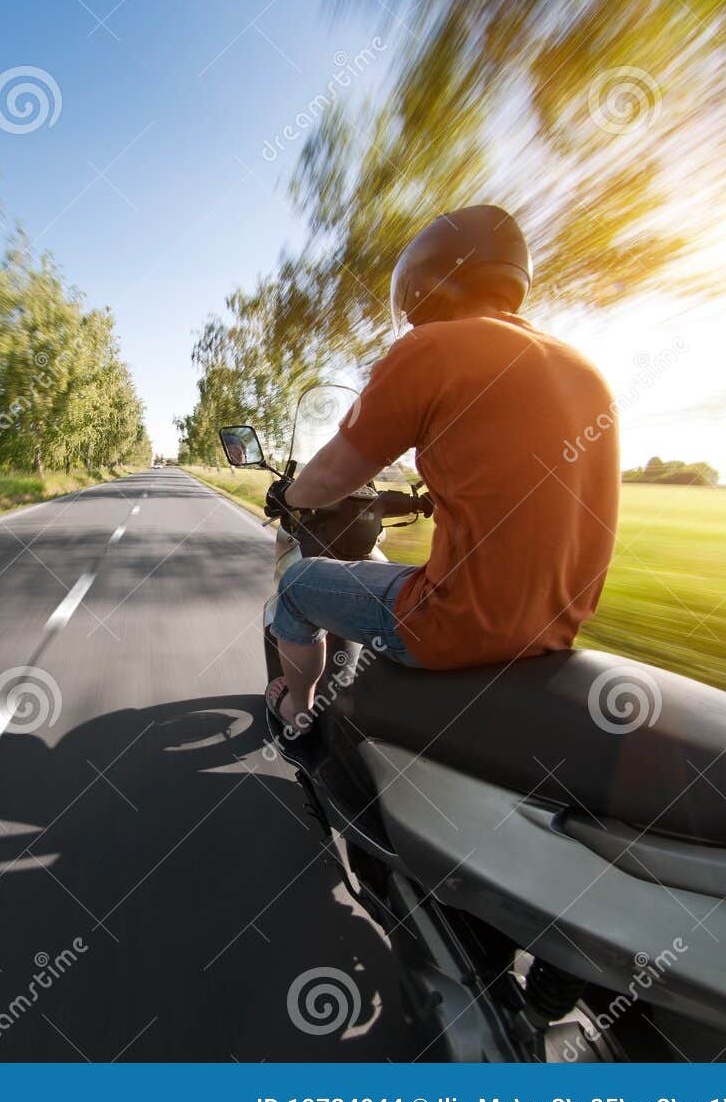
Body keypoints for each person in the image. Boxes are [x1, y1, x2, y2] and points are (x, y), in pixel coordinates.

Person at [264, 204, 621, 731]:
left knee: (296, 586)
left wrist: (289, 496)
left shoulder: (432, 347)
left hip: (457, 623)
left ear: (425, 277)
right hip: (554, 627)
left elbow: (332, 476)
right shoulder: (583, 369)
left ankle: (297, 709)